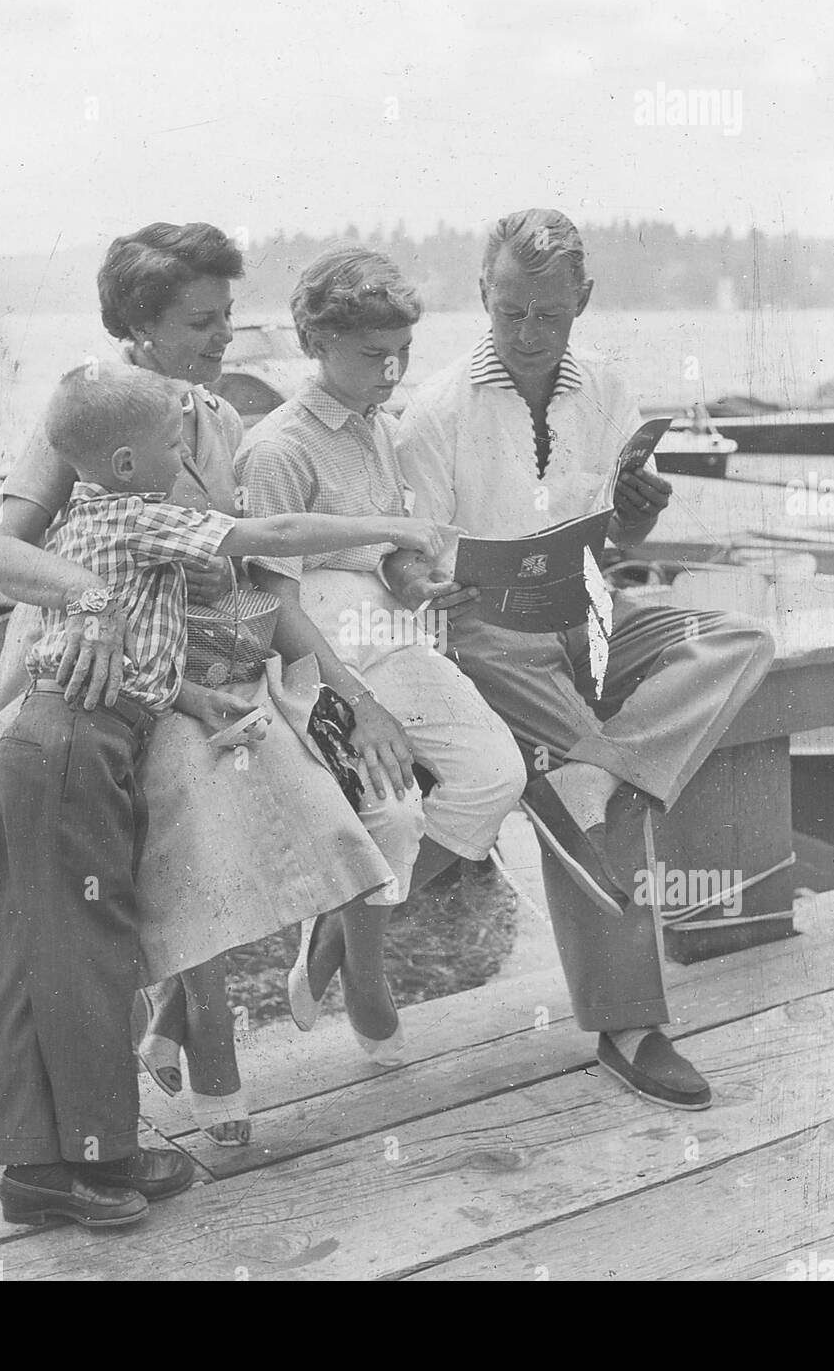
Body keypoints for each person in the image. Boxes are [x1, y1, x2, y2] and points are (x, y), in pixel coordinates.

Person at [0, 221, 421, 1147]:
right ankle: (210, 1050)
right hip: (91, 675)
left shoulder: (216, 421)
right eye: (201, 320)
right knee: (198, 800)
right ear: (138, 323)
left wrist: (338, 678)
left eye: (228, 315)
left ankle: (188, 1022)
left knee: (326, 794)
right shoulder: (93, 414)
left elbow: (248, 571)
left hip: (194, 664)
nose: (224, 337)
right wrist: (93, 597)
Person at [387, 208, 777, 1111]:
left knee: (738, 639)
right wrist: (424, 586)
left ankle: (602, 767)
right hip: (494, 637)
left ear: (582, 303)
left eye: (549, 316)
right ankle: (631, 1028)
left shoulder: (604, 389)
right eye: (510, 311)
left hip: (590, 612)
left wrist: (639, 509)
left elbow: (615, 537)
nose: (527, 334)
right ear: (482, 294)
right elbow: (406, 552)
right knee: (599, 801)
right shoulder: (435, 412)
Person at [235, 247, 528, 1060]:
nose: (392, 370)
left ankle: (341, 931)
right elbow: (270, 599)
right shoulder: (276, 450)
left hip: (386, 637)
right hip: (312, 654)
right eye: (372, 354)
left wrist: (427, 586)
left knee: (493, 775)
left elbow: (392, 558)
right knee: (394, 812)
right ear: (314, 343)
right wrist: (358, 706)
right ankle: (365, 970)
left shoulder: (382, 431)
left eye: (402, 352)